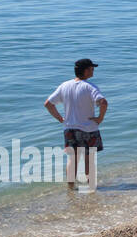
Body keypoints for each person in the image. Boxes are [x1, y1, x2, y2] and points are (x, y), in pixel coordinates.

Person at [44, 59, 107, 191]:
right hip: (88, 128)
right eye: (91, 68)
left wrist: (59, 118)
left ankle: (70, 189)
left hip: (69, 128)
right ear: (85, 71)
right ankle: (91, 188)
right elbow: (103, 102)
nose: (93, 70)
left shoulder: (64, 86)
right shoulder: (90, 87)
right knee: (88, 159)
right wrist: (100, 118)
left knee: (72, 160)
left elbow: (48, 104)